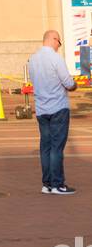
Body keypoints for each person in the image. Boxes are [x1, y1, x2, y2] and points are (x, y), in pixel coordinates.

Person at [27, 29, 77, 194]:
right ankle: (58, 184)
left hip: (42, 109)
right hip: (58, 107)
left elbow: (34, 81)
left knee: (45, 147)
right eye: (59, 42)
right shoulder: (56, 58)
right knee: (57, 147)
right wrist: (74, 85)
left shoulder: (32, 60)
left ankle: (47, 184)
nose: (59, 46)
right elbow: (68, 82)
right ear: (54, 39)